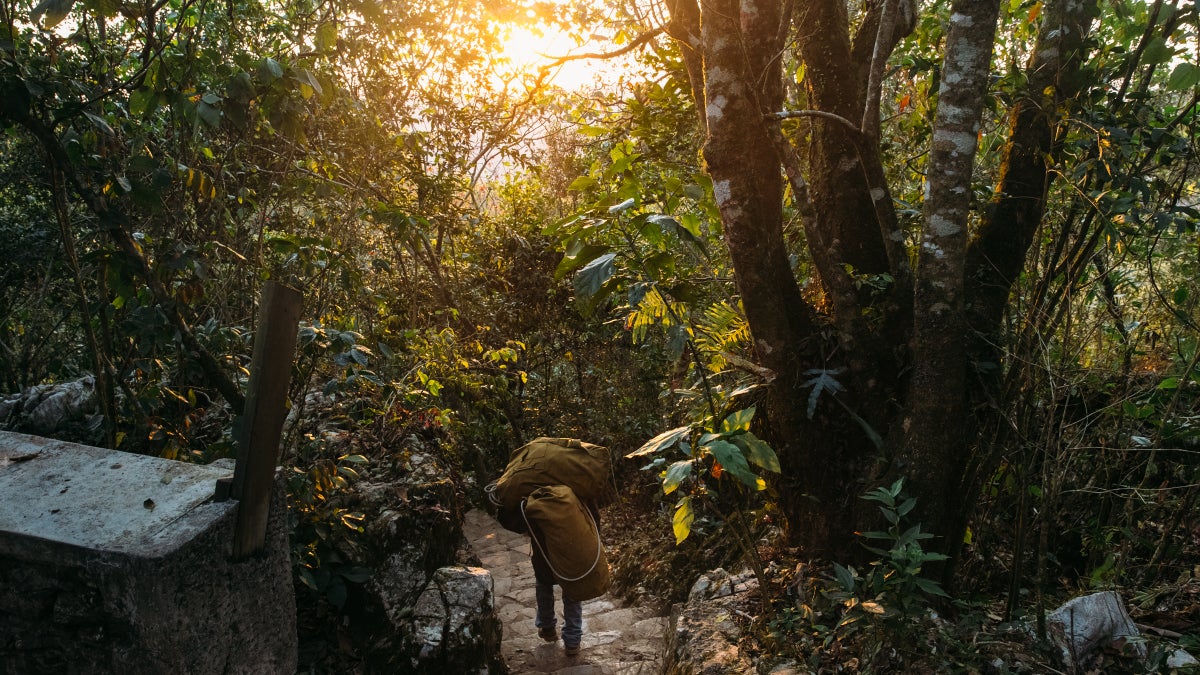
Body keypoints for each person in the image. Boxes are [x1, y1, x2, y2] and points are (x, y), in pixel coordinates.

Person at [526, 500, 600, 657]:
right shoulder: (575, 484)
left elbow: (518, 521)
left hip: (543, 546)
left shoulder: (533, 486)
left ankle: (547, 627)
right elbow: (592, 514)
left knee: (543, 583)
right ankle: (572, 641)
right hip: (572, 546)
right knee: (573, 590)